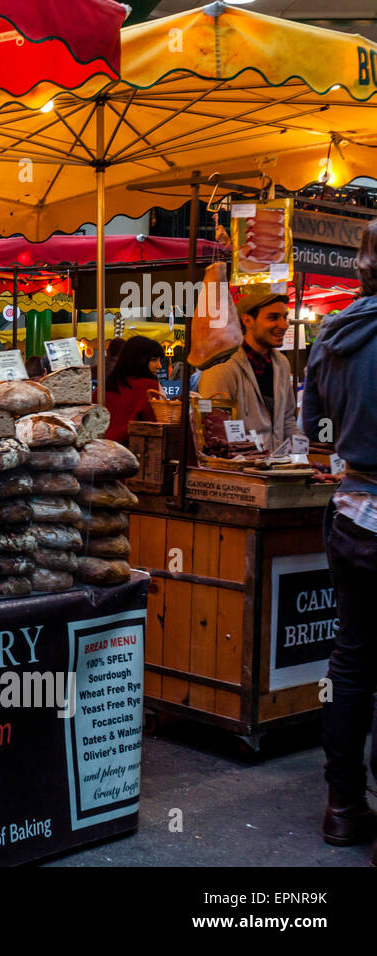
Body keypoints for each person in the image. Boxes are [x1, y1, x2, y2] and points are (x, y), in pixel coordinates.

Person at [302, 220, 377, 855]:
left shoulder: (334, 333)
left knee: (353, 658)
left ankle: (344, 807)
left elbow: (316, 431)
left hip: (354, 511)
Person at [199, 291, 304, 448]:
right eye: (273, 317)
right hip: (239, 469)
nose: (284, 325)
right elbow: (213, 428)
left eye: (285, 317)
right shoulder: (222, 366)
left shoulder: (282, 363)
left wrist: (302, 458)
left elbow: (288, 419)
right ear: (248, 320)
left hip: (277, 468)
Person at [100, 336, 163, 443]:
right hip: (132, 450)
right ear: (138, 360)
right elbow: (157, 425)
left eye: (159, 360)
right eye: (153, 360)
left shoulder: (103, 388)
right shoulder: (150, 387)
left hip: (99, 448)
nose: (159, 366)